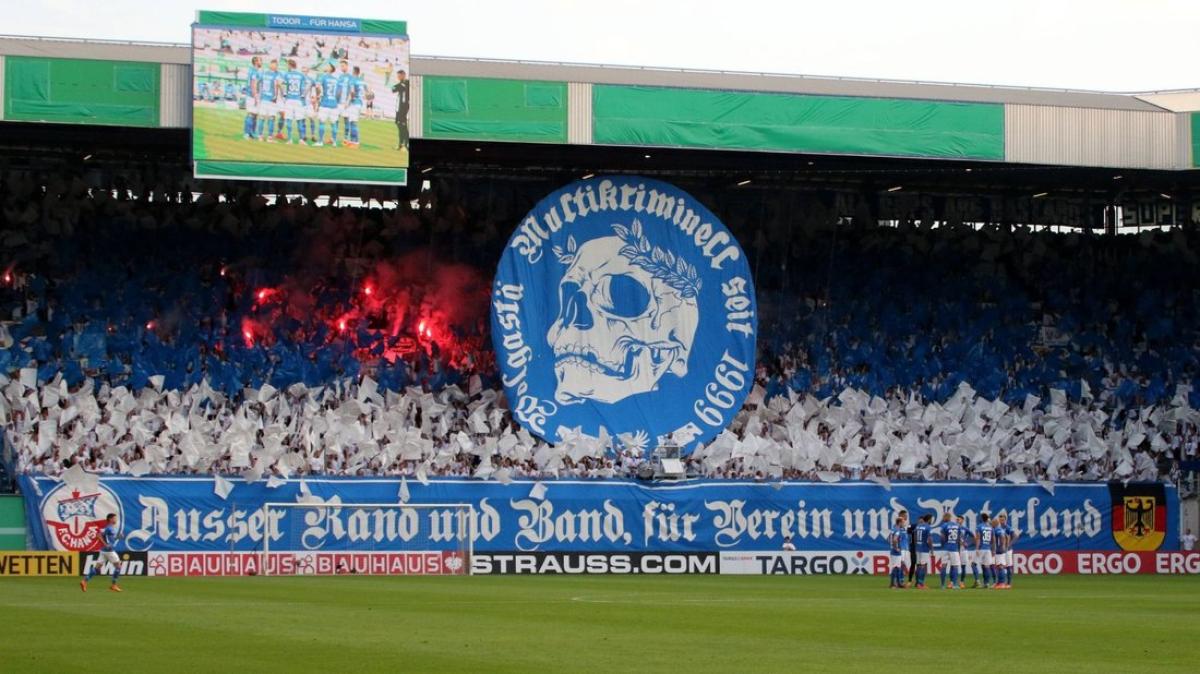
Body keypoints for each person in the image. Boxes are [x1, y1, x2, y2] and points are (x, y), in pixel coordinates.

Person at [80, 513, 123, 593]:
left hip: (103, 551)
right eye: (114, 518)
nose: (116, 520)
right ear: (110, 519)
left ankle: (84, 581)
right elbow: (98, 535)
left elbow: (110, 538)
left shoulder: (111, 528)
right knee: (118, 567)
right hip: (109, 551)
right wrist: (105, 544)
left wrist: (118, 537)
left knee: (97, 568)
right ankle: (113, 585)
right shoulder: (108, 528)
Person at [280, 59, 309, 145]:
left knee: (289, 120)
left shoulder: (287, 75)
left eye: (287, 65)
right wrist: (303, 96)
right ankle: (301, 140)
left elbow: (284, 86)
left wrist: (284, 96)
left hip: (289, 99)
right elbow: (305, 86)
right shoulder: (301, 75)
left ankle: (290, 139)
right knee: (299, 120)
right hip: (298, 100)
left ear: (289, 65)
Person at [315, 64, 342, 147]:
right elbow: (339, 92)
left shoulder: (323, 77)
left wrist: (318, 95)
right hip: (334, 104)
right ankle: (334, 142)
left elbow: (317, 86)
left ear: (330, 69)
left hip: (325, 103)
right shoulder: (336, 80)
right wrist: (336, 101)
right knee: (334, 124)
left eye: (328, 66)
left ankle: (320, 141)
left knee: (322, 122)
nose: (326, 67)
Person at [936, 512, 962, 589]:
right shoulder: (957, 526)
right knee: (955, 566)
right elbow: (958, 538)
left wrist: (943, 544)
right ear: (950, 518)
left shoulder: (944, 525)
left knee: (943, 566)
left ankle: (942, 585)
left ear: (945, 518)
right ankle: (954, 584)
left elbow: (942, 537)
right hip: (954, 548)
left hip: (945, 548)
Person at [242, 56, 262, 140]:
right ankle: (247, 133)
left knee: (254, 115)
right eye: (260, 61)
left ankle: (251, 133)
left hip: (251, 95)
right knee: (251, 114)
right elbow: (253, 85)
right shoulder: (254, 71)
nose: (261, 62)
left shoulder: (252, 70)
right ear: (256, 62)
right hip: (252, 95)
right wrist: (256, 97)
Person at [888, 510, 909, 589]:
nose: (904, 523)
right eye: (903, 522)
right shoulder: (897, 530)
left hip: (893, 550)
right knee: (896, 567)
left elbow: (888, 539)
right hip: (896, 551)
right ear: (900, 522)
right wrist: (896, 548)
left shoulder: (893, 529)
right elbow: (895, 539)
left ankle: (898, 583)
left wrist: (892, 546)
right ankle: (893, 584)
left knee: (897, 566)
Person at [914, 514, 934, 589]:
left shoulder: (918, 526)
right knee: (923, 566)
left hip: (918, 548)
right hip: (924, 549)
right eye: (931, 519)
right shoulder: (928, 527)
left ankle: (917, 583)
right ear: (929, 519)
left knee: (918, 565)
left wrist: (916, 546)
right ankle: (921, 583)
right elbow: (930, 540)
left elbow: (915, 537)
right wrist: (932, 549)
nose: (931, 521)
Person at [391, 70, 409, 151]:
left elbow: (394, 88)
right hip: (398, 108)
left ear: (403, 75)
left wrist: (397, 85)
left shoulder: (407, 83)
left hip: (403, 108)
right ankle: (401, 144)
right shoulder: (401, 84)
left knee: (403, 126)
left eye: (399, 76)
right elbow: (393, 89)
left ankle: (406, 145)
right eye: (397, 76)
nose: (398, 77)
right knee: (399, 125)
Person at [975, 512, 994, 589]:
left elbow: (978, 538)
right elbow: (993, 539)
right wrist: (992, 549)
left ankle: (977, 581)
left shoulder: (979, 527)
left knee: (973, 564)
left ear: (981, 518)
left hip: (981, 548)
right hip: (988, 549)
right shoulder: (990, 527)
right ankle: (987, 583)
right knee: (986, 566)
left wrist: (977, 548)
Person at [992, 513, 1010, 589]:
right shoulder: (1000, 529)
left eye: (992, 523)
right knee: (998, 566)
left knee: (1000, 566)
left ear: (994, 523)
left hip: (999, 550)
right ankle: (999, 582)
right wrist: (1006, 545)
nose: (991, 524)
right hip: (1000, 549)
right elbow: (1007, 537)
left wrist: (1002, 546)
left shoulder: (997, 529)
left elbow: (1003, 537)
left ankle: (1002, 583)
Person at [956, 515, 972, 587]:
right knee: (954, 566)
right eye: (957, 519)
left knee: (963, 566)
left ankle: (962, 582)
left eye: (959, 519)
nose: (957, 520)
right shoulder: (954, 528)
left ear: (962, 520)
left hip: (963, 550)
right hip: (955, 550)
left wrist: (968, 543)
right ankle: (952, 582)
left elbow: (974, 536)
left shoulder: (965, 528)